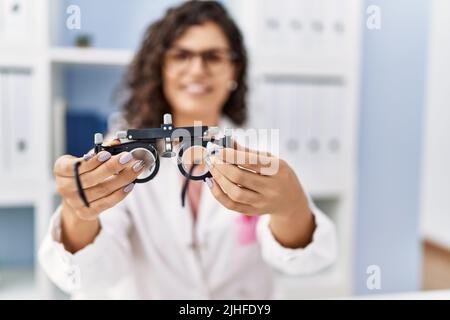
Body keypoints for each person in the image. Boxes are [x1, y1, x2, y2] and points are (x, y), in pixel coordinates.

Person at [39, 1, 337, 299]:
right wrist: (78, 212)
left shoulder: (259, 150)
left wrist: (290, 208)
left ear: (234, 69)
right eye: (181, 55)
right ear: (161, 67)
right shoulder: (125, 152)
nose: (197, 70)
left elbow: (307, 262)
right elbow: (87, 277)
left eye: (213, 56)